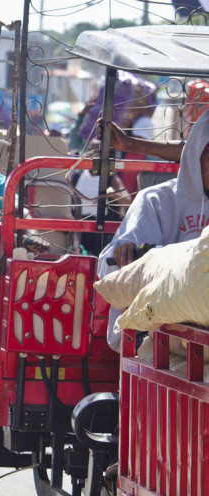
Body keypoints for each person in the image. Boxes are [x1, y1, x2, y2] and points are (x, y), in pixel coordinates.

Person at [98, 113, 209, 352]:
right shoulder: (155, 200)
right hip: (155, 334)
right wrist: (124, 255)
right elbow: (110, 272)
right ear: (195, 154)